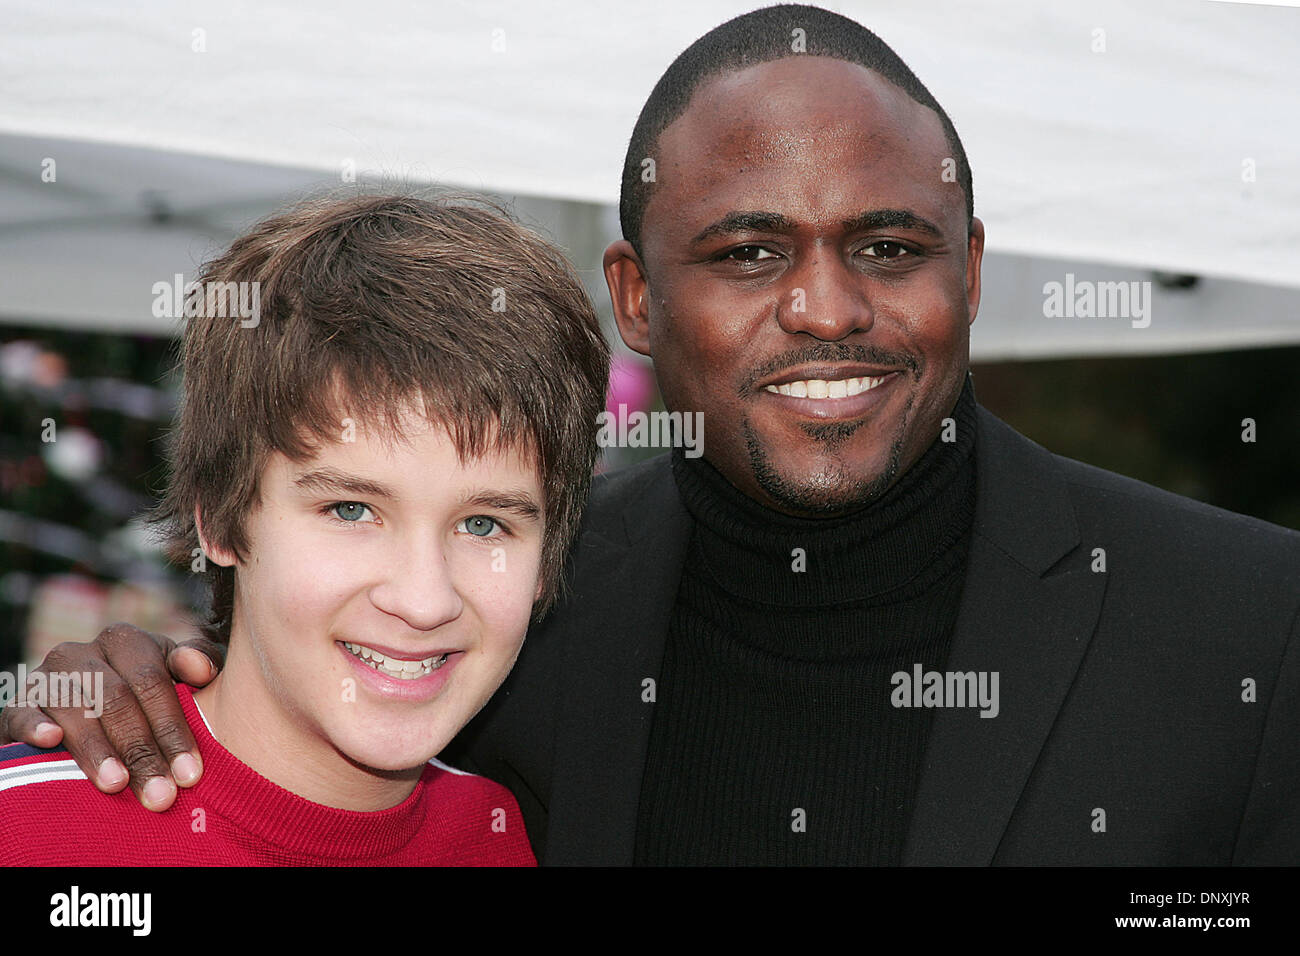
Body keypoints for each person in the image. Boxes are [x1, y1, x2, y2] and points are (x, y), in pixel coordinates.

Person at [4, 4, 1298, 866]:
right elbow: (283, 708)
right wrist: (89, 688)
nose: (828, 308)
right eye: (749, 253)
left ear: (968, 266)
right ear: (635, 296)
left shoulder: (1250, 627)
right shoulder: (523, 621)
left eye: (890, 247)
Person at [0, 193, 608, 865]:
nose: (424, 599)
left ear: (551, 556)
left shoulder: (510, 836)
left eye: (484, 523)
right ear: (219, 518)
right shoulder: (26, 829)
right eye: (351, 510)